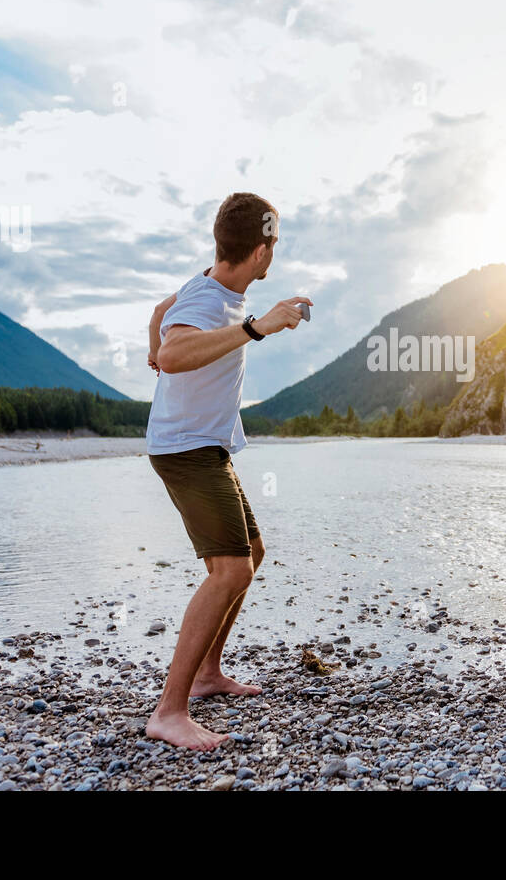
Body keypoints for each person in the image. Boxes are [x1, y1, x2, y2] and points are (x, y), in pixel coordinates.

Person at [142, 191, 311, 750]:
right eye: (275, 243)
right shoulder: (215, 301)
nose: (275, 252)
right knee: (230, 572)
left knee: (250, 555)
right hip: (185, 449)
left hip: (207, 446)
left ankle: (209, 674)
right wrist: (258, 329)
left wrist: (153, 340)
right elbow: (173, 354)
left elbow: (162, 314)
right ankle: (169, 711)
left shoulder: (209, 287)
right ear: (262, 252)